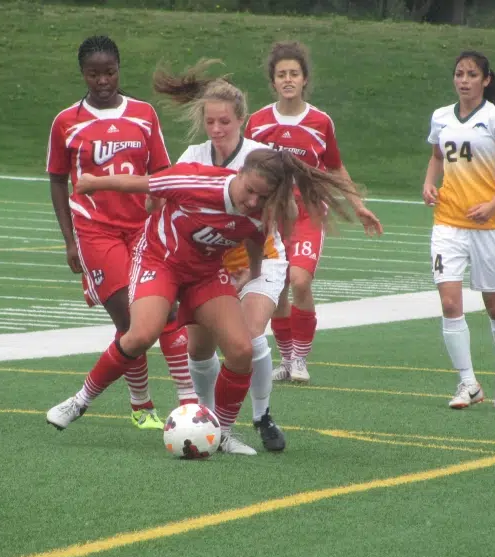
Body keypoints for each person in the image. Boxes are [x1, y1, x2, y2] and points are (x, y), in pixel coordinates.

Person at [45, 149, 361, 455]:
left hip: (206, 274)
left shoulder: (262, 210)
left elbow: (255, 238)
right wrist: (90, 184)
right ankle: (79, 401)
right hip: (159, 260)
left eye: (262, 197)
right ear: (239, 174)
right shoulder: (194, 181)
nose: (252, 201)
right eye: (250, 190)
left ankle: (221, 432)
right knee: (142, 334)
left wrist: (252, 273)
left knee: (241, 350)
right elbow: (140, 183)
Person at [45, 35, 196, 431]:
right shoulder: (67, 122)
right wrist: (69, 239)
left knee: (167, 316)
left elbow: (162, 172)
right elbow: (58, 180)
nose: (102, 81)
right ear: (83, 74)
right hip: (96, 232)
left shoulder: (144, 114)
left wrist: (163, 217)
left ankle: (186, 406)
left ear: (119, 69)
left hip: (144, 233)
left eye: (109, 72)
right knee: (133, 321)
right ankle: (143, 406)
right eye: (93, 74)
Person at [152, 59, 287, 453]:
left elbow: (273, 218)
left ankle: (261, 415)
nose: (217, 130)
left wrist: (248, 263)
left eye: (224, 122)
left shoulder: (261, 157)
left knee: (248, 336)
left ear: (241, 119)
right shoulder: (193, 154)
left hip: (260, 258)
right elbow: (166, 201)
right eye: (210, 122)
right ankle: (210, 425)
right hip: (207, 264)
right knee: (199, 347)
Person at [245, 41, 382, 385]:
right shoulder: (258, 122)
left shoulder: (320, 121)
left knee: (300, 281)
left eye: (294, 73)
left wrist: (358, 205)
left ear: (305, 79)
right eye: (281, 74)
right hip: (270, 218)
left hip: (307, 215)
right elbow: (241, 169)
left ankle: (301, 358)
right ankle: (287, 359)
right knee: (275, 290)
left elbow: (335, 167)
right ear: (273, 81)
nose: (288, 79)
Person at [421, 50, 495, 410]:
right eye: (459, 74)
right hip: (448, 222)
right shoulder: (441, 117)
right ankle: (468, 383)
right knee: (450, 302)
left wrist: (493, 204)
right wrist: (429, 184)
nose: (464, 80)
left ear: (486, 80)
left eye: (471, 75)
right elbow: (437, 157)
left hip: (489, 226)